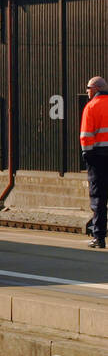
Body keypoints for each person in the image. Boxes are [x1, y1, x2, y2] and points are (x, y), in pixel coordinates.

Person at [80, 76, 108, 248]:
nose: (87, 91)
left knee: (98, 198)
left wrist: (87, 156)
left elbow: (86, 136)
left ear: (96, 89)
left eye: (88, 88)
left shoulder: (91, 107)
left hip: (97, 158)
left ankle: (99, 237)